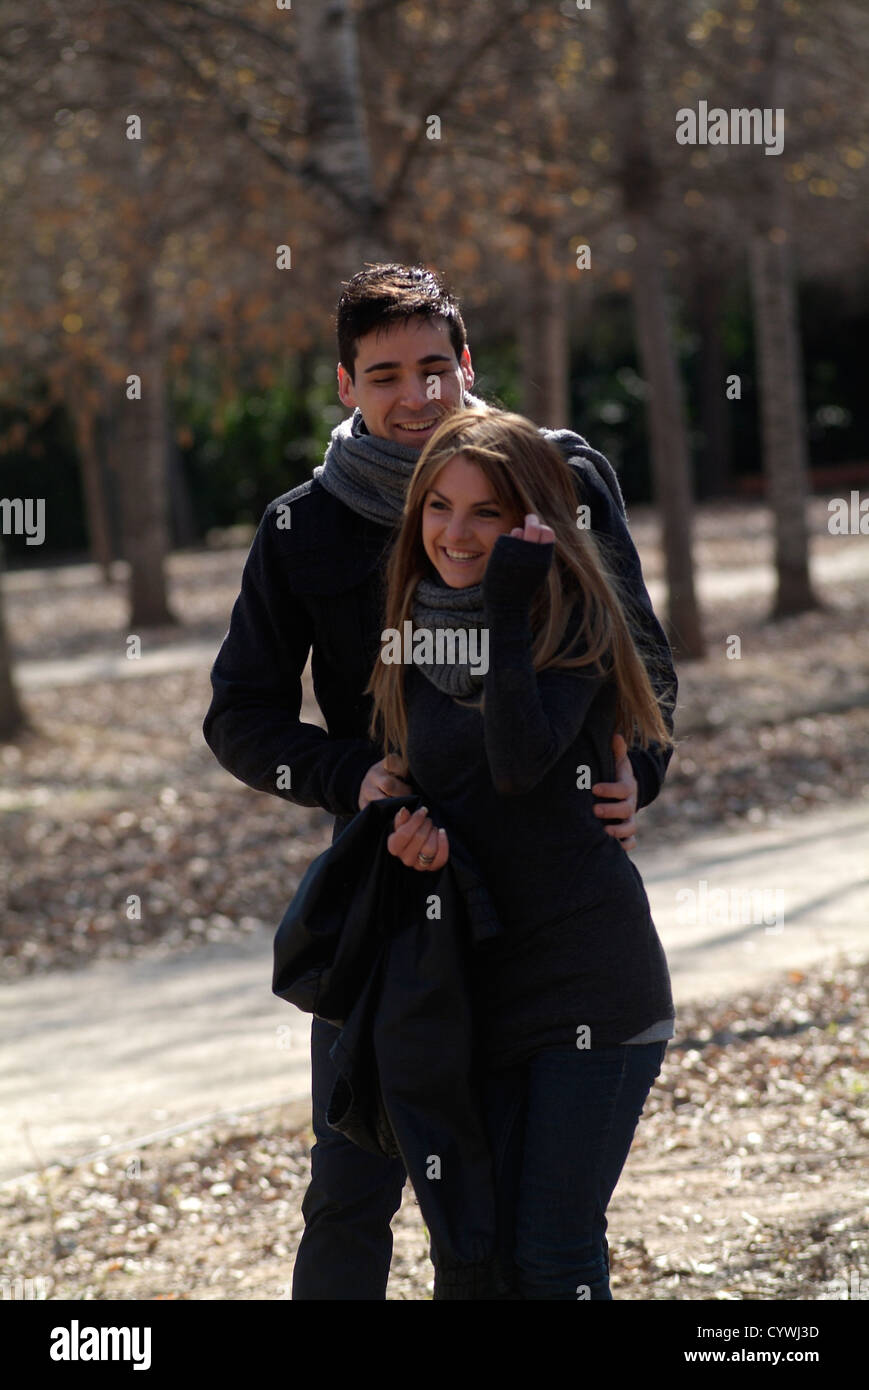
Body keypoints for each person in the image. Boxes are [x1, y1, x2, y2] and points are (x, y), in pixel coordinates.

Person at [203, 262, 677, 1300]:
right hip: (392, 888)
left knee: (512, 1228)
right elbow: (237, 716)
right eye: (384, 376)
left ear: (466, 365)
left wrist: (634, 776)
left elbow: (638, 655)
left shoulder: (550, 476)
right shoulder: (303, 527)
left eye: (433, 368)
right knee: (350, 1183)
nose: (414, 396)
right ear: (345, 387)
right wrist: (351, 777)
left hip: (542, 893)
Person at [367, 406, 676, 1299]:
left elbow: (515, 766)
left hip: (592, 984)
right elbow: (440, 791)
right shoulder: (409, 636)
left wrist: (508, 601)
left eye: (485, 514)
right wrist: (411, 843)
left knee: (555, 1252)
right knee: (483, 1255)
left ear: (530, 524)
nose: (455, 534)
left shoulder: (569, 624)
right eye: (438, 508)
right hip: (478, 989)